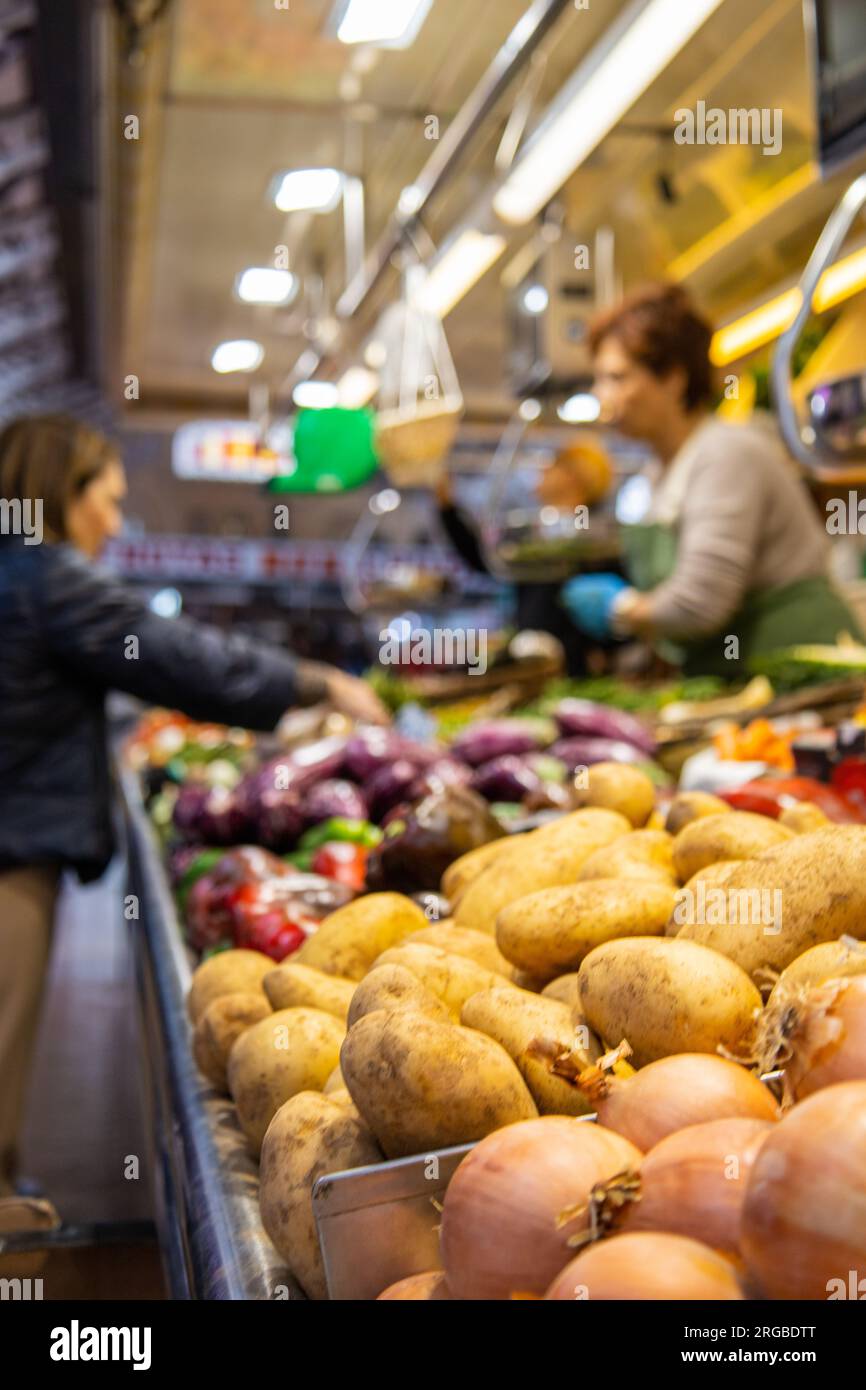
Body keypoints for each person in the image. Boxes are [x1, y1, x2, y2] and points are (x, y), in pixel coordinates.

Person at [0, 414, 387, 1209]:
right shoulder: (42, 576)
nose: (114, 518)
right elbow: (177, 657)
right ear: (57, 494)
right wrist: (316, 683)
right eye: (106, 498)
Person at [561, 283, 861, 675]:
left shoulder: (725, 454)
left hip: (802, 673)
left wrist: (621, 609)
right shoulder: (655, 476)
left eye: (617, 378)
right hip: (736, 680)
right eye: (599, 379)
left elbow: (701, 604)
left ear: (673, 378)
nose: (603, 396)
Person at [437, 437, 615, 675]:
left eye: (552, 464)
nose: (542, 470)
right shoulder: (542, 532)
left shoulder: (591, 534)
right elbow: (491, 562)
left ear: (573, 476)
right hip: (535, 667)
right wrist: (448, 508)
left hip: (574, 671)